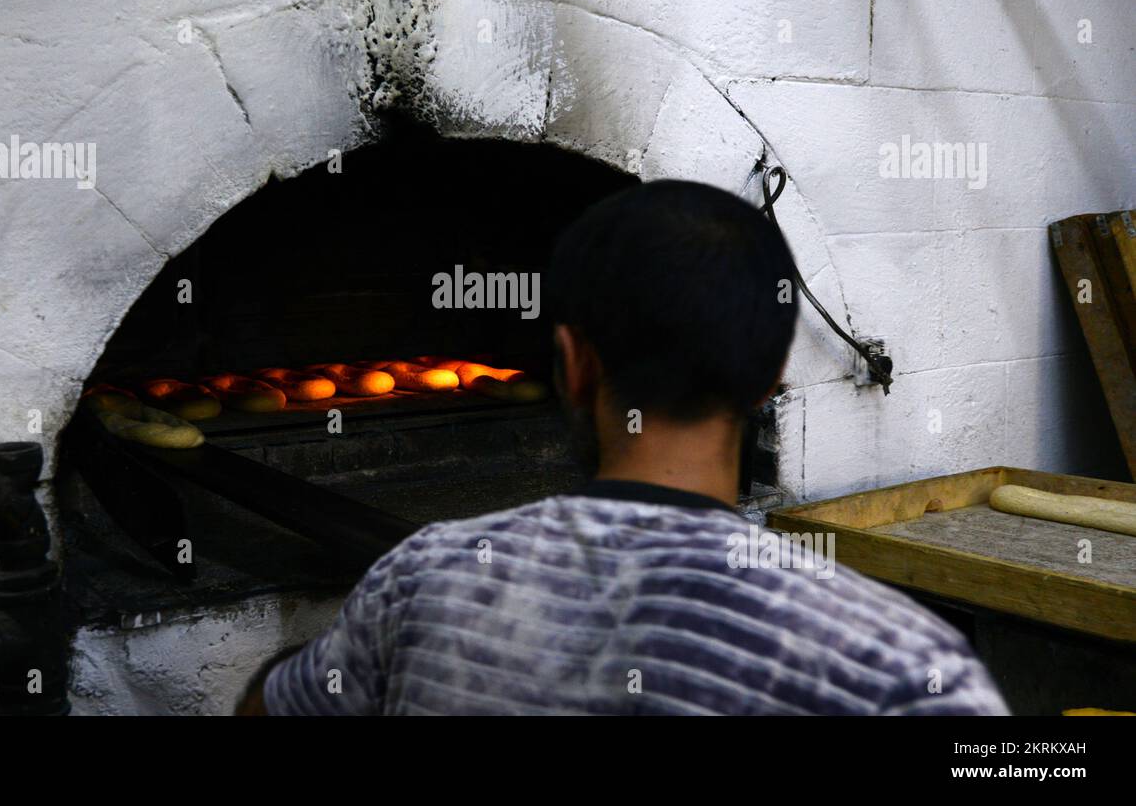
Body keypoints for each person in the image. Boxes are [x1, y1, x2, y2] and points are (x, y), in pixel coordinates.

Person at [240, 180, 1009, 715]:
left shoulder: (417, 583)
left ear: (575, 365)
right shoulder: (900, 664)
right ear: (771, 381)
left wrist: (292, 667)